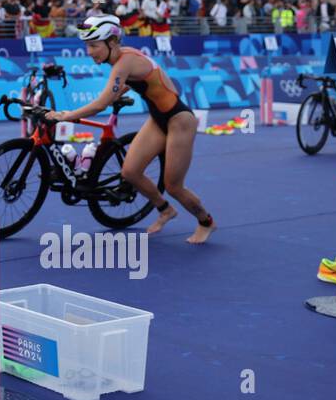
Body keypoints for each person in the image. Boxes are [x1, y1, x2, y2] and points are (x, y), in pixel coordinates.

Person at [47, 14, 216, 244]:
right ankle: (165, 210)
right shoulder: (123, 60)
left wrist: (67, 116)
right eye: (87, 45)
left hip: (180, 121)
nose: (89, 51)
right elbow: (141, 81)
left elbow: (100, 103)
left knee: (174, 186)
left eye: (94, 45)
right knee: (130, 172)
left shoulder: (124, 61)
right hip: (159, 119)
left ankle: (206, 221)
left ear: (113, 43)